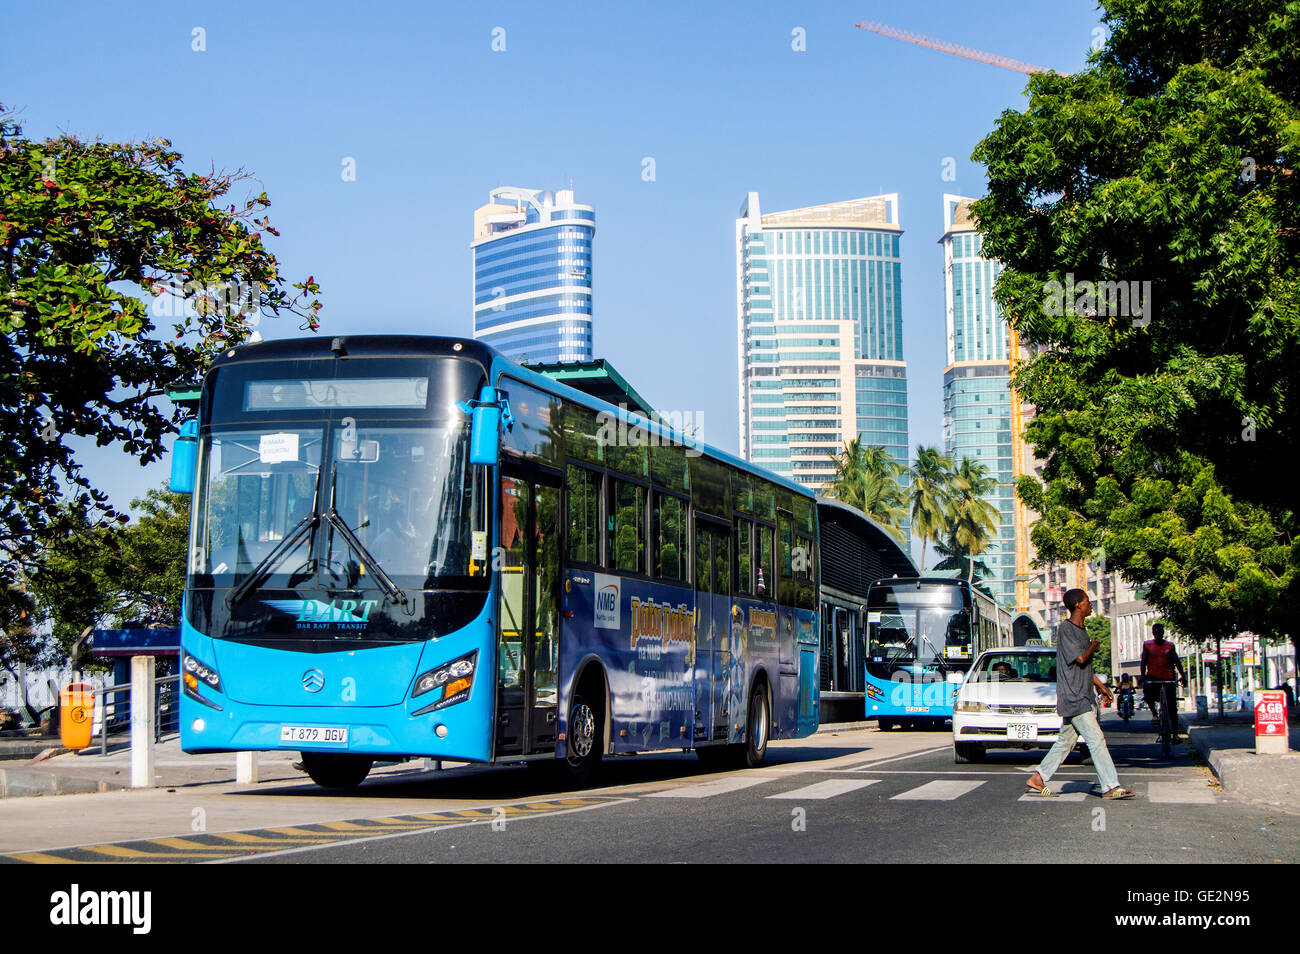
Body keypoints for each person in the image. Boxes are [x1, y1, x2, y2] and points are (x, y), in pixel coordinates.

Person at [1025, 588, 1134, 799]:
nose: (1090, 604)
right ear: (1077, 605)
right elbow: (1081, 659)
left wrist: (1101, 687)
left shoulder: (1082, 630)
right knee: (1096, 739)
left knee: (1066, 742)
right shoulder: (1066, 629)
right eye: (1087, 601)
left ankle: (1038, 777)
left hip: (1082, 693)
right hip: (1074, 696)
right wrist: (1092, 648)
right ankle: (1110, 786)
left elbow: (1086, 668)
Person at [1140, 623, 1187, 735]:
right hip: (1152, 677)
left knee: (1172, 708)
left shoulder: (1169, 646)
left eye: (1160, 633)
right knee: (1147, 693)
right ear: (1153, 633)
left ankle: (1175, 734)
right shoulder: (1147, 645)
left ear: (1163, 633)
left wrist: (1183, 677)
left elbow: (1177, 662)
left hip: (1168, 678)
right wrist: (1143, 676)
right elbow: (1143, 662)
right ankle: (1155, 714)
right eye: (1156, 633)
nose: (1158, 635)